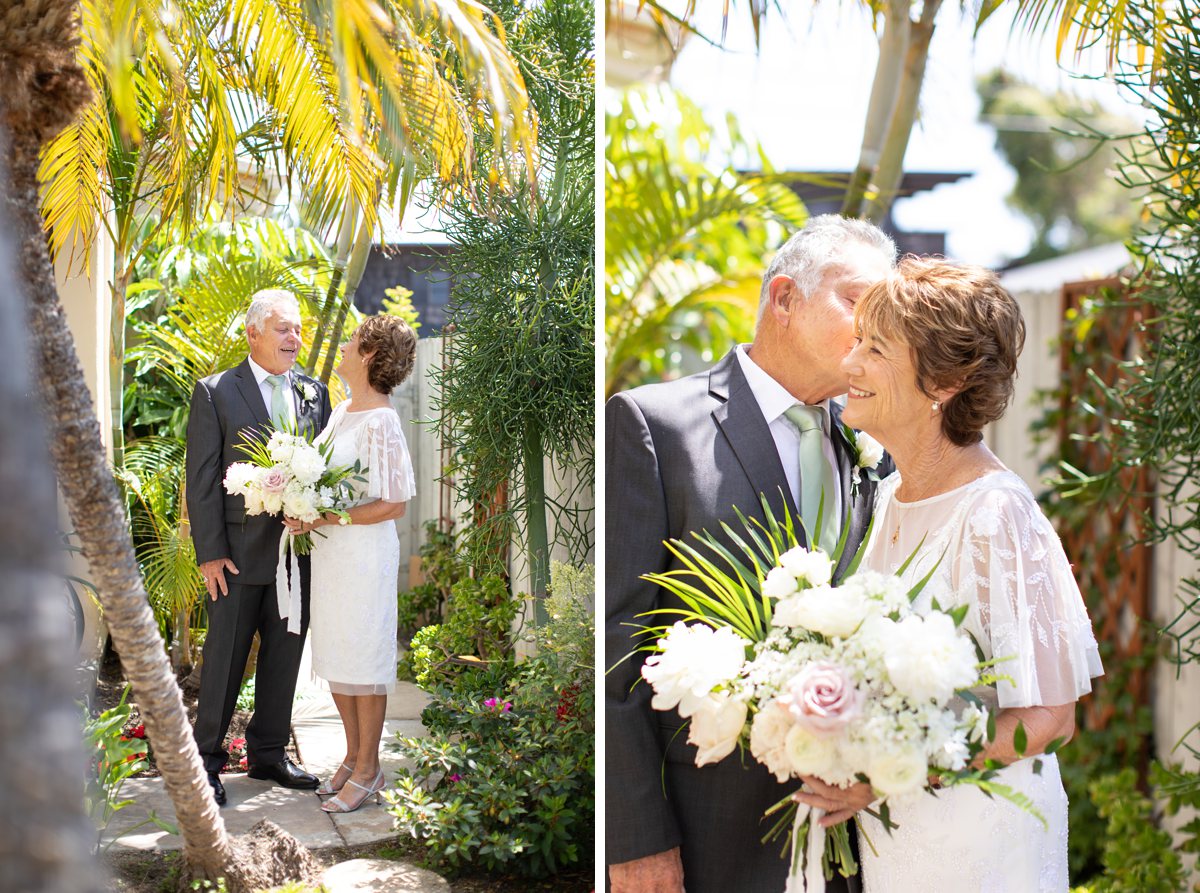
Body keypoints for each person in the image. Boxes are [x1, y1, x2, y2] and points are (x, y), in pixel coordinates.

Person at [606, 215, 897, 893]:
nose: (874, 330)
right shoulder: (657, 426)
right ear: (785, 298)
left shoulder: (872, 449)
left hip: (853, 841)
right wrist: (635, 840)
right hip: (708, 836)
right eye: (857, 303)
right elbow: (618, 644)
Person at [794, 257, 1103, 891]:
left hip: (981, 845)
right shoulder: (884, 502)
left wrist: (885, 772)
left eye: (874, 348)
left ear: (944, 382)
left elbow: (1050, 718)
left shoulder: (996, 514)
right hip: (897, 845)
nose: (849, 365)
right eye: (856, 342)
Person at [186, 289, 333, 806]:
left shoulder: (315, 393)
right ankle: (205, 761)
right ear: (253, 333)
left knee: (285, 656)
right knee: (224, 660)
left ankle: (269, 754)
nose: (295, 338)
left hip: (297, 554)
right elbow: (202, 478)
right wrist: (209, 553)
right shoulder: (216, 392)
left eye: (298, 329)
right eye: (284, 329)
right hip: (235, 556)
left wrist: (312, 511)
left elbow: (326, 471)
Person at [284, 315, 417, 813]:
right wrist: (300, 506)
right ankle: (352, 756)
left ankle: (369, 769)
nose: (341, 346)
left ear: (368, 355)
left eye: (351, 341)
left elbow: (395, 502)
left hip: (364, 555)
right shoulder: (342, 412)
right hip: (333, 552)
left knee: (365, 659)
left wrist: (328, 516)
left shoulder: (383, 420)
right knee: (340, 657)